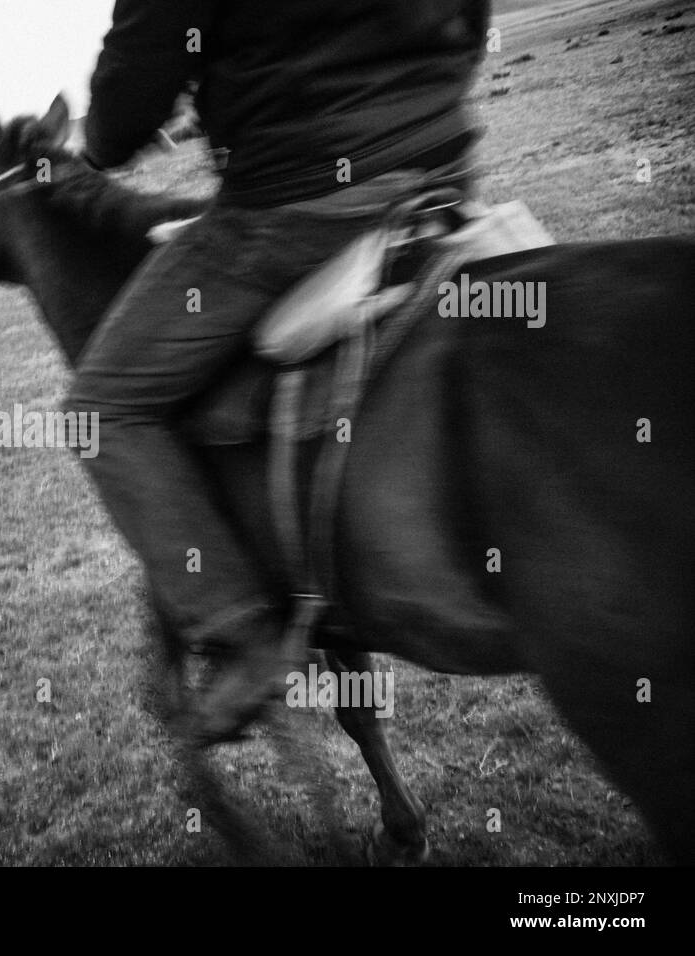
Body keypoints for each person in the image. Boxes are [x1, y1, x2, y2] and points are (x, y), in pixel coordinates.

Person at [67, 0, 490, 743]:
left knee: (99, 409)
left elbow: (118, 119)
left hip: (300, 202)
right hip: (442, 160)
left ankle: (244, 631)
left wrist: (118, 131)